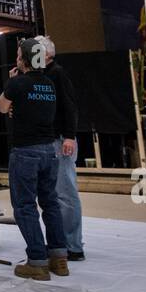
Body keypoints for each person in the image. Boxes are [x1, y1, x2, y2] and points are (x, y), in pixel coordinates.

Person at [0, 37, 67, 280]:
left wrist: (12, 82)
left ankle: (37, 260)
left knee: (25, 206)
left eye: (18, 55)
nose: (16, 58)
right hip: (50, 150)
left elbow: (2, 107)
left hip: (26, 151)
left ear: (24, 60)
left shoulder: (19, 83)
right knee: (50, 203)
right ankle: (59, 258)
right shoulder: (49, 83)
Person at [37, 35, 83, 261]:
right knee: (54, 194)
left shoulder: (57, 73)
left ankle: (73, 245)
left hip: (61, 140)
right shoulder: (41, 76)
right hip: (49, 141)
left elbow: (70, 106)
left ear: (45, 54)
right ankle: (61, 242)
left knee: (65, 192)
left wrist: (70, 137)